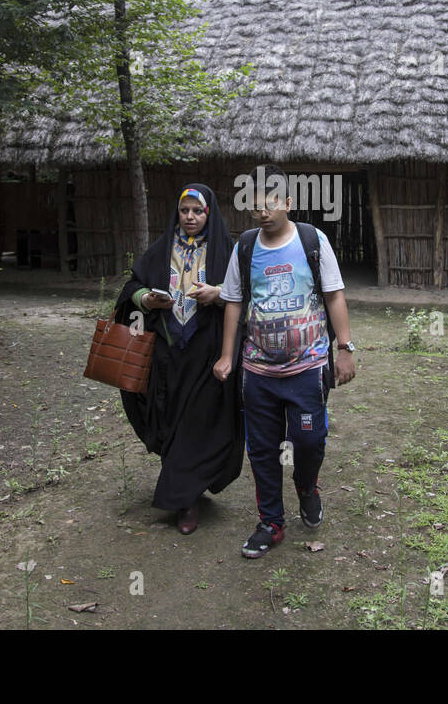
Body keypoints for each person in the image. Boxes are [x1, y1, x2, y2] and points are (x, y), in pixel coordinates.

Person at [214, 164, 357, 558]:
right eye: (256, 205)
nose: (262, 211)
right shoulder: (245, 246)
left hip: (308, 366)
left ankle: (307, 487)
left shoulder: (312, 240)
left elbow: (334, 295)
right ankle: (271, 522)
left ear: (288, 203)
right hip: (258, 369)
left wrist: (344, 348)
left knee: (309, 441)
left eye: (271, 203)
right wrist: (227, 356)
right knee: (262, 449)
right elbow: (233, 303)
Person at [114, 184, 242, 534]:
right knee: (170, 418)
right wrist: (146, 299)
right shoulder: (160, 250)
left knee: (197, 420)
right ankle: (187, 487)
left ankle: (184, 500)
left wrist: (218, 294)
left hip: (208, 351)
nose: (190, 217)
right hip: (167, 352)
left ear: (209, 214)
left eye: (197, 212)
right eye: (184, 211)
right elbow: (131, 287)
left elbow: (244, 294)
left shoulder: (226, 251)